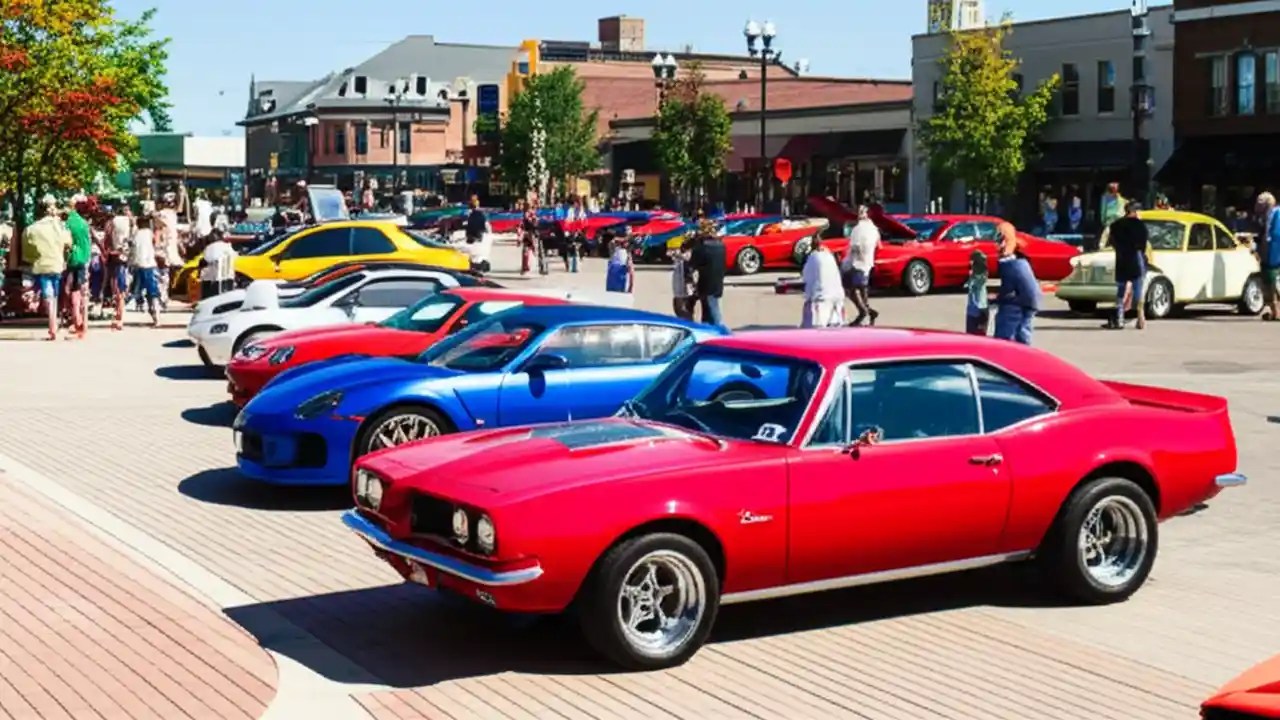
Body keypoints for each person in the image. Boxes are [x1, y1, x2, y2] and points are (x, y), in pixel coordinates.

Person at [22, 195, 71, 340]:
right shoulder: (60, 226)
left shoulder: (31, 229)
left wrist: (33, 258)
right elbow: (68, 243)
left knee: (48, 295)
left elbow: (27, 251)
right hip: (57, 264)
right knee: (53, 295)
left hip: (41, 265)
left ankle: (52, 325)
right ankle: (53, 324)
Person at [991, 222, 1040, 345]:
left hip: (1018, 307)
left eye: (999, 239)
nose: (996, 246)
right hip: (1024, 303)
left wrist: (1001, 298)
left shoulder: (1011, 263)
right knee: (1020, 334)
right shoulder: (1018, 260)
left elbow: (1011, 287)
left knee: (1011, 338)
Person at [1106, 201, 1150, 330]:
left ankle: (1119, 318)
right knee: (1138, 291)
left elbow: (1112, 241)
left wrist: (1120, 249)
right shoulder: (1140, 225)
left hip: (1121, 259)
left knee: (1120, 291)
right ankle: (1140, 317)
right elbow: (1143, 243)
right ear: (1134, 211)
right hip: (1136, 259)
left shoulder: (1116, 225)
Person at [842, 205, 880, 326]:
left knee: (850, 288)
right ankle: (869, 312)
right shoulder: (874, 229)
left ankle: (863, 312)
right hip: (868, 264)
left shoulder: (857, 229)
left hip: (857, 263)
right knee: (863, 288)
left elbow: (855, 247)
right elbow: (878, 245)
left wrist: (850, 263)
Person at [64, 195, 93, 338]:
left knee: (71, 290)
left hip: (72, 259)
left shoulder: (68, 223)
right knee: (82, 291)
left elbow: (66, 242)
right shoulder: (84, 223)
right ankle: (82, 322)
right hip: (84, 259)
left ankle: (76, 320)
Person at [690, 222, 727, 328]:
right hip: (718, 282)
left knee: (713, 310)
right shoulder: (721, 245)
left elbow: (693, 264)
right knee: (710, 309)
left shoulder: (701, 247)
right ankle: (708, 328)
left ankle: (721, 331)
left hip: (705, 283)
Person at [801, 243, 845, 328]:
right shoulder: (829, 256)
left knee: (817, 326)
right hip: (837, 297)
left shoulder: (812, 258)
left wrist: (808, 296)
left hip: (821, 299)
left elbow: (807, 279)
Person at [128, 214, 160, 326]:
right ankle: (156, 316)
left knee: (137, 289)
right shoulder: (150, 233)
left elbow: (132, 247)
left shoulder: (136, 234)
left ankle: (141, 304)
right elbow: (156, 243)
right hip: (150, 265)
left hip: (138, 265)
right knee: (153, 292)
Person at [106, 205, 133, 329]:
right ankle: (119, 317)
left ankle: (119, 317)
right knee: (120, 290)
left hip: (114, 257)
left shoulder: (112, 222)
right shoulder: (130, 222)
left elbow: (108, 237)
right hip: (125, 258)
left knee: (116, 290)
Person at [1256, 192, 1280, 320]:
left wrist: (1271, 255)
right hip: (1267, 254)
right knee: (1268, 283)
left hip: (1273, 254)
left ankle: (1277, 312)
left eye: (1260, 204)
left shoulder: (1276, 214)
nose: (1257, 206)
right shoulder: (1265, 217)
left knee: (1271, 282)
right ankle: (1274, 311)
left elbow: (1275, 235)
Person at [155, 199, 181, 310]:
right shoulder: (165, 222)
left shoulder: (165, 223)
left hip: (163, 254)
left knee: (164, 277)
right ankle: (162, 299)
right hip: (162, 254)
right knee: (163, 277)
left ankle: (163, 299)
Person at [200, 230, 234, 300]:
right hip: (229, 276)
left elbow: (207, 259)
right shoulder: (228, 246)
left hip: (216, 278)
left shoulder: (211, 247)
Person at [964, 249, 990, 335]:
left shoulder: (980, 277)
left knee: (977, 335)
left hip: (979, 309)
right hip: (974, 309)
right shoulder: (976, 276)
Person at [670, 237, 696, 320]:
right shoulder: (680, 257)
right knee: (678, 306)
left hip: (687, 284)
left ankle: (688, 322)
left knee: (684, 307)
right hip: (679, 284)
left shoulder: (690, 254)